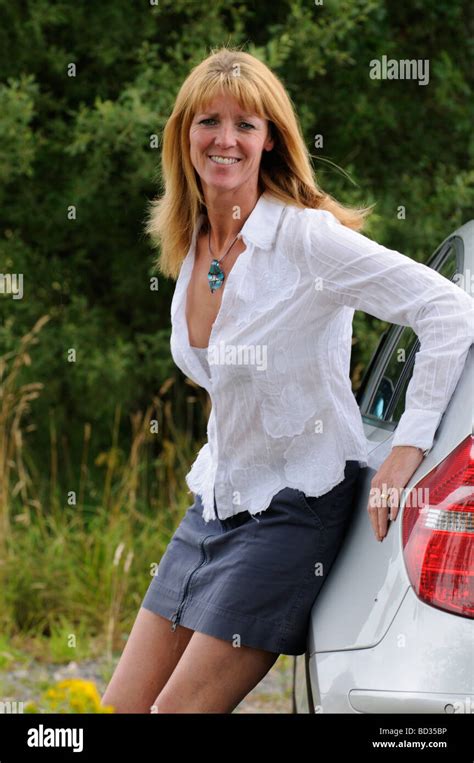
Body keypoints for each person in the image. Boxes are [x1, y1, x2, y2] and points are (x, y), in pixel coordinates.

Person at [101, 46, 474, 714]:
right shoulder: (194, 245)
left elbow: (447, 308)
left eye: (246, 124)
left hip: (291, 513)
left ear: (270, 139)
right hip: (213, 505)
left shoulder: (307, 240)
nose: (225, 138)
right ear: (183, 135)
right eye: (208, 120)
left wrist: (405, 450)